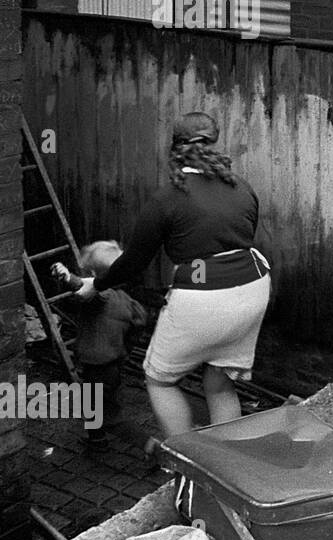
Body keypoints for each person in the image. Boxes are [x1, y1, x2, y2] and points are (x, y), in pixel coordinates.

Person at [74, 112, 271, 445]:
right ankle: (227, 464)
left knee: (161, 379)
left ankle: (187, 461)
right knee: (219, 379)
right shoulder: (243, 188)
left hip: (204, 295)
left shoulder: (166, 199)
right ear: (213, 144)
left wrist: (97, 284)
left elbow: (134, 262)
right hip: (254, 285)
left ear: (174, 151)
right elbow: (240, 240)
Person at [51, 241, 147, 449]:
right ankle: (97, 439)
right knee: (94, 404)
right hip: (112, 363)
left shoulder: (100, 297)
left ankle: (148, 445)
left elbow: (82, 287)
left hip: (99, 367)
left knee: (109, 415)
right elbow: (139, 322)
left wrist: (67, 277)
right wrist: (125, 349)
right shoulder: (126, 300)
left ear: (95, 275)